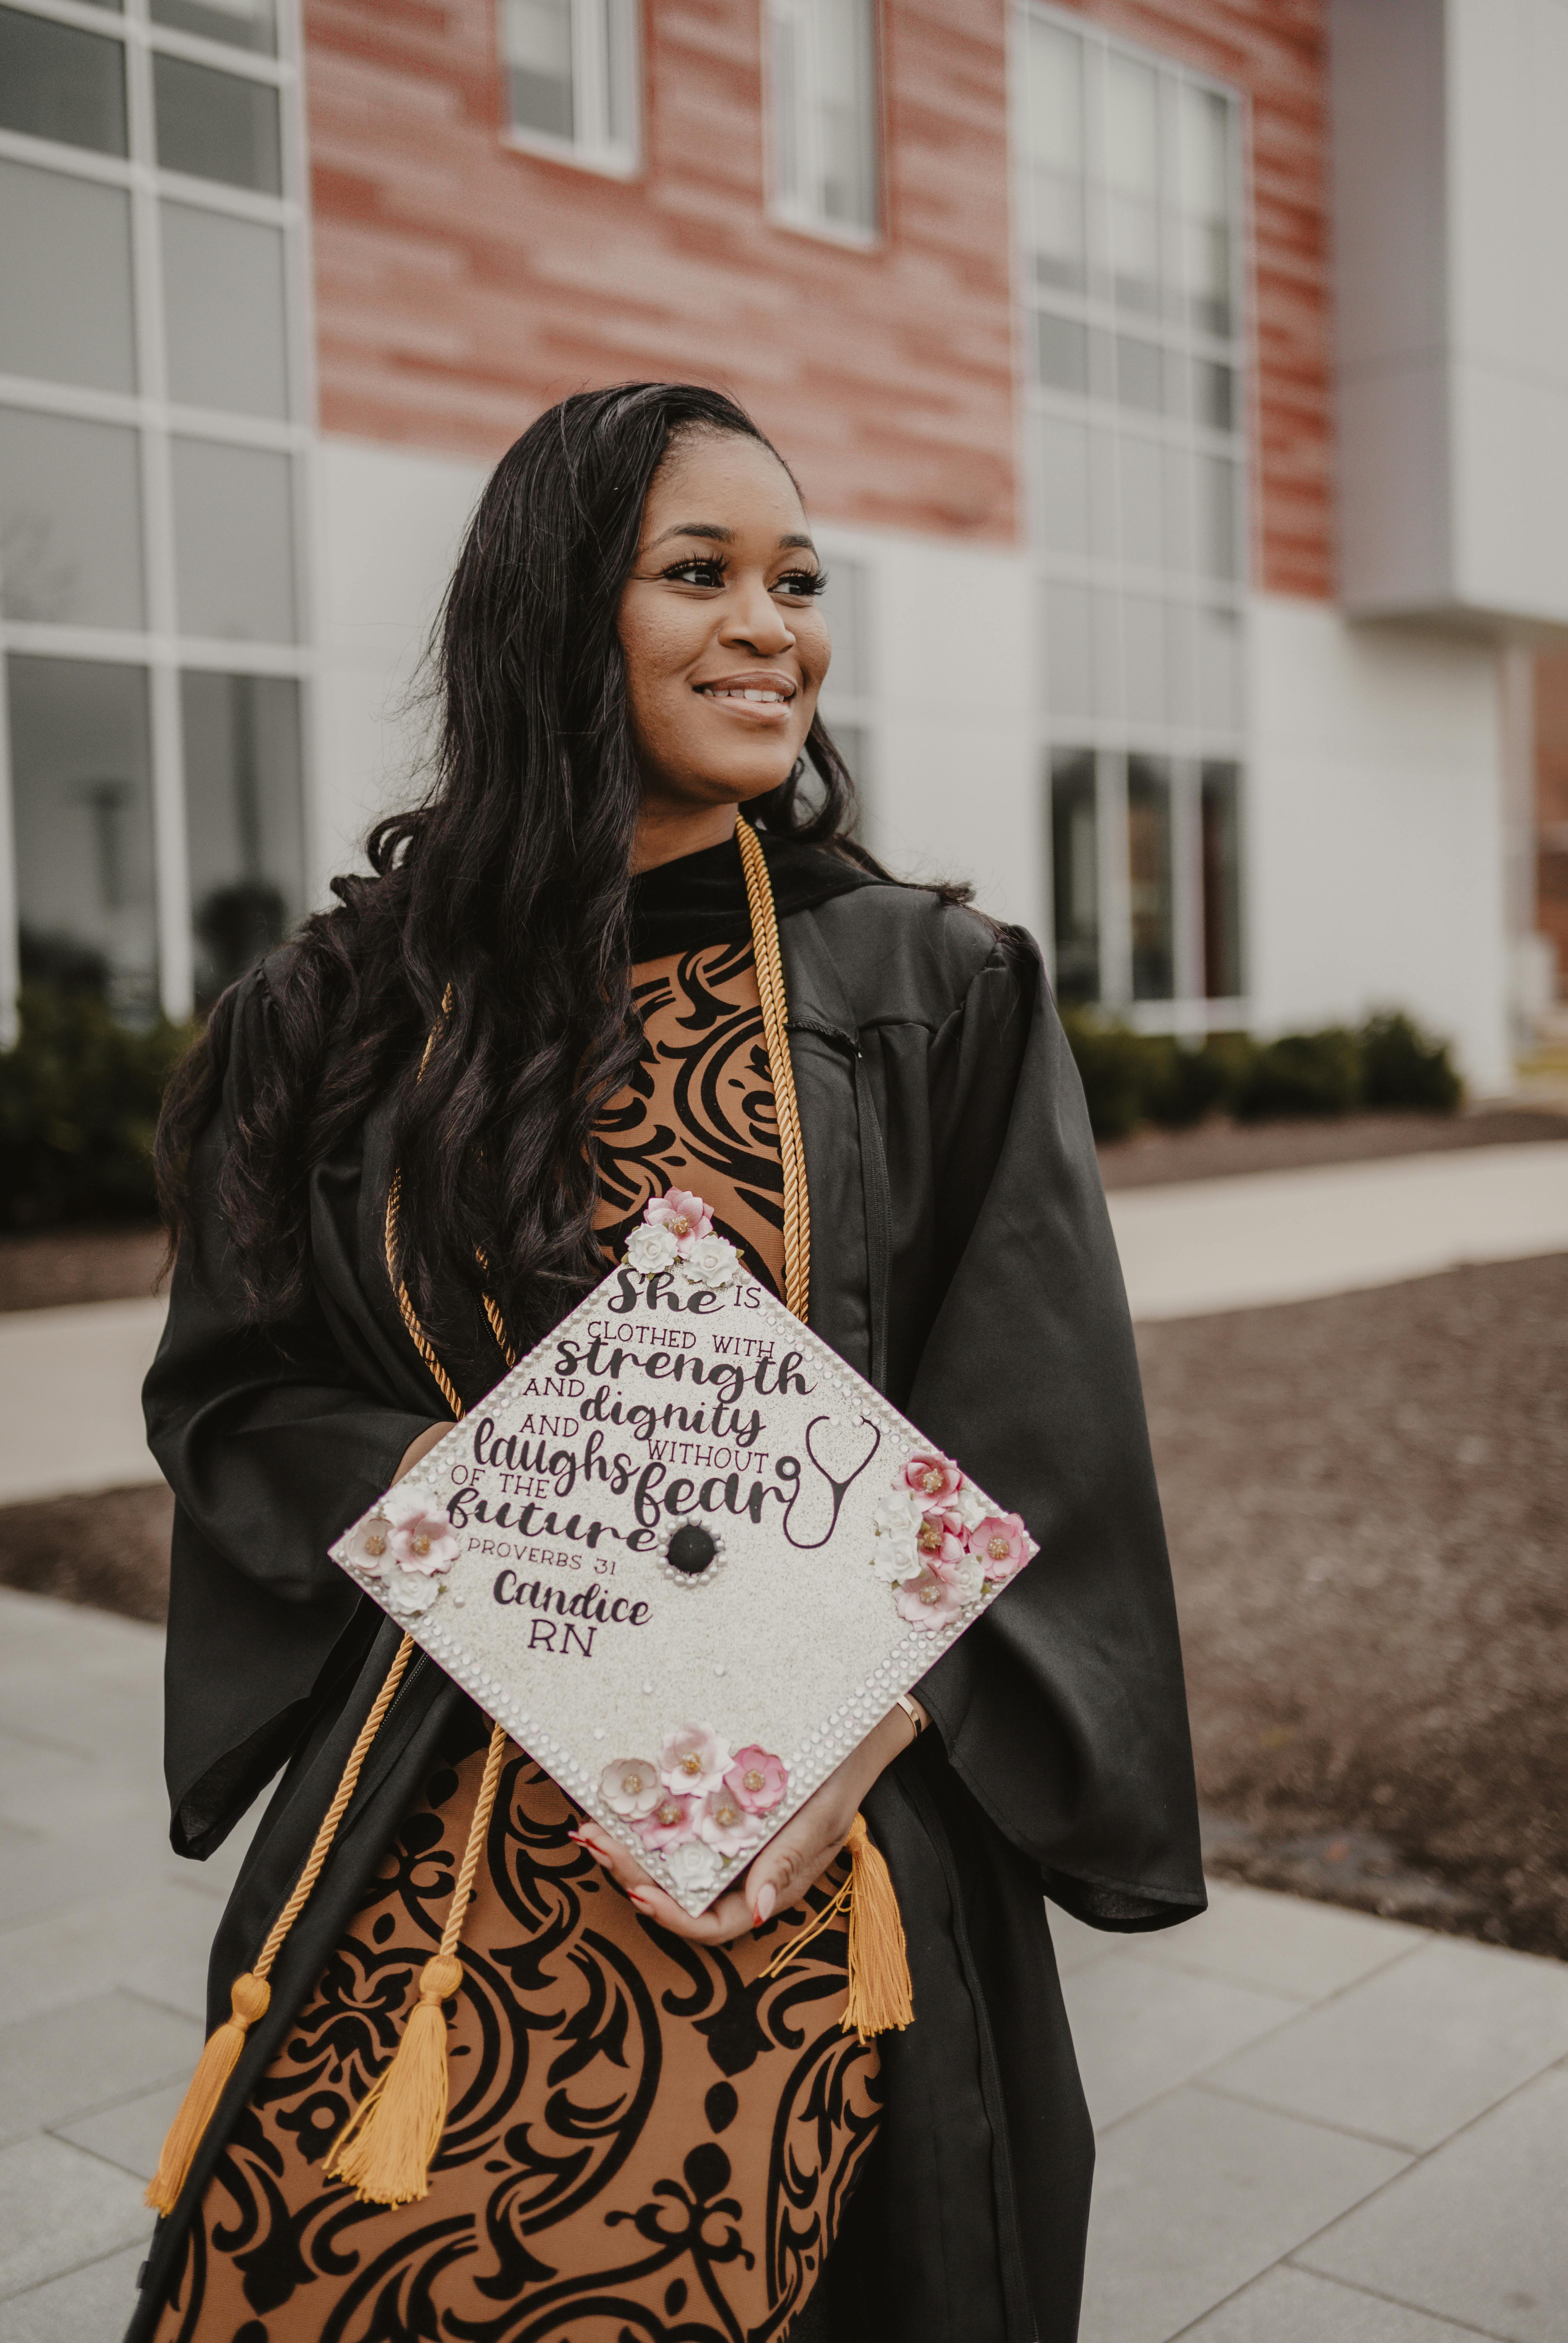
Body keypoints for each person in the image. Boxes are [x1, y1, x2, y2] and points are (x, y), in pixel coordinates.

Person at [128, 382, 1204, 2343]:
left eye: (798, 582)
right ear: (554, 613)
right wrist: (474, 1493)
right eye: (697, 573)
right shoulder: (342, 1009)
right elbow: (235, 1394)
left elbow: (1037, 1432)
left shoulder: (926, 988)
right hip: (446, 1812)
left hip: (808, 1828)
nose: (769, 628)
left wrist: (852, 1733)